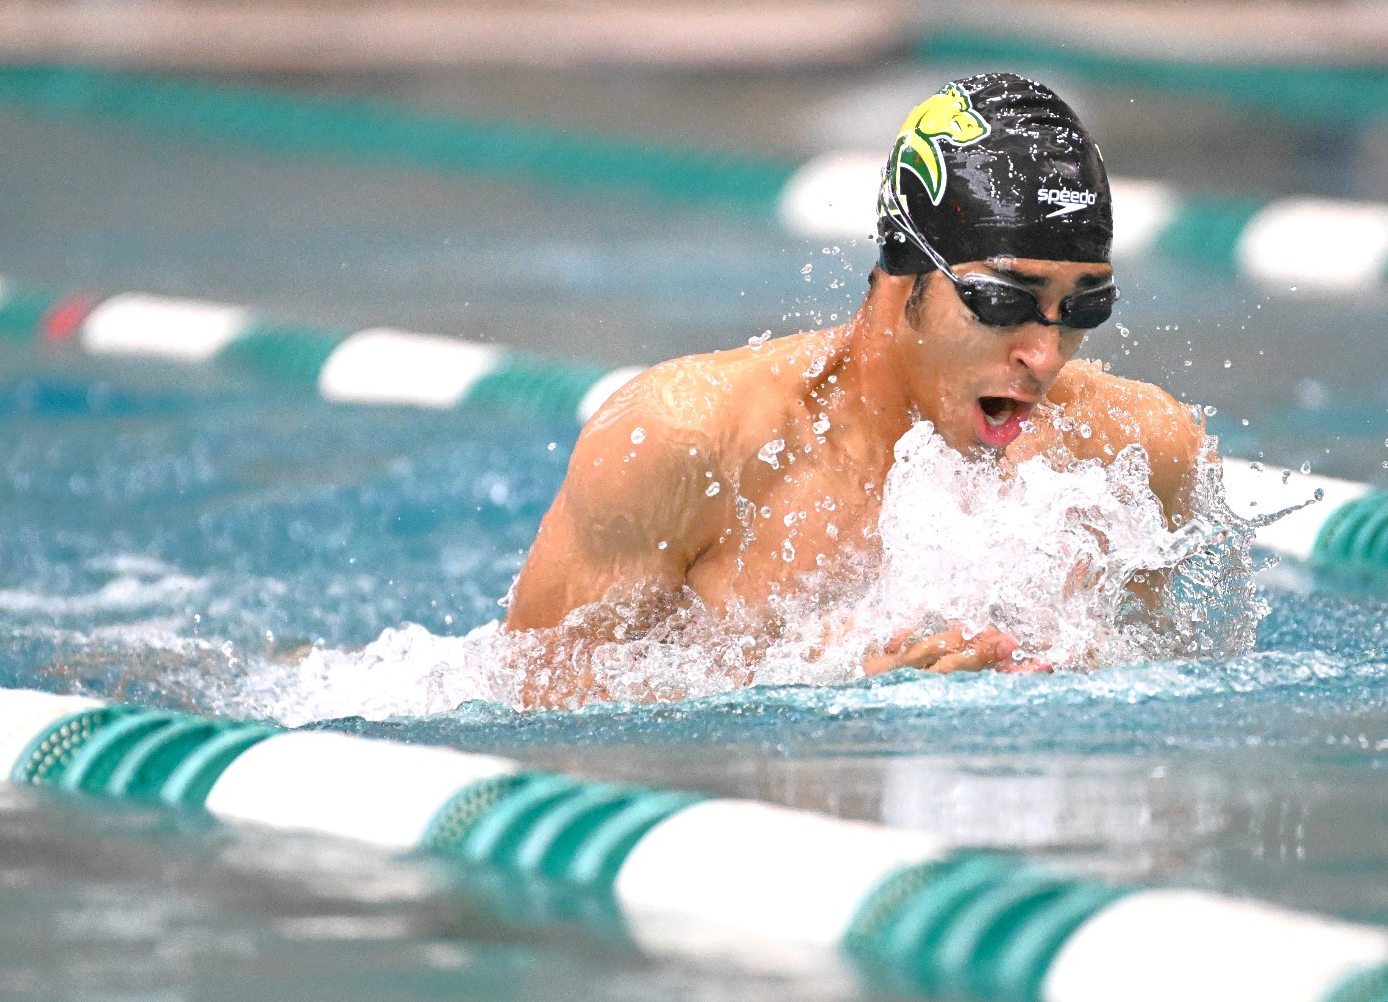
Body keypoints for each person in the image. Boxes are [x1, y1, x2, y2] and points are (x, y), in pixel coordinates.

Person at [505, 72, 1209, 706]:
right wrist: (815, 693)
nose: (1045, 354)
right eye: (1002, 302)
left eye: (1085, 308)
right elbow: (531, 696)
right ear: (902, 274)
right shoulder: (689, 441)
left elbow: (1157, 693)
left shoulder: (1137, 453)